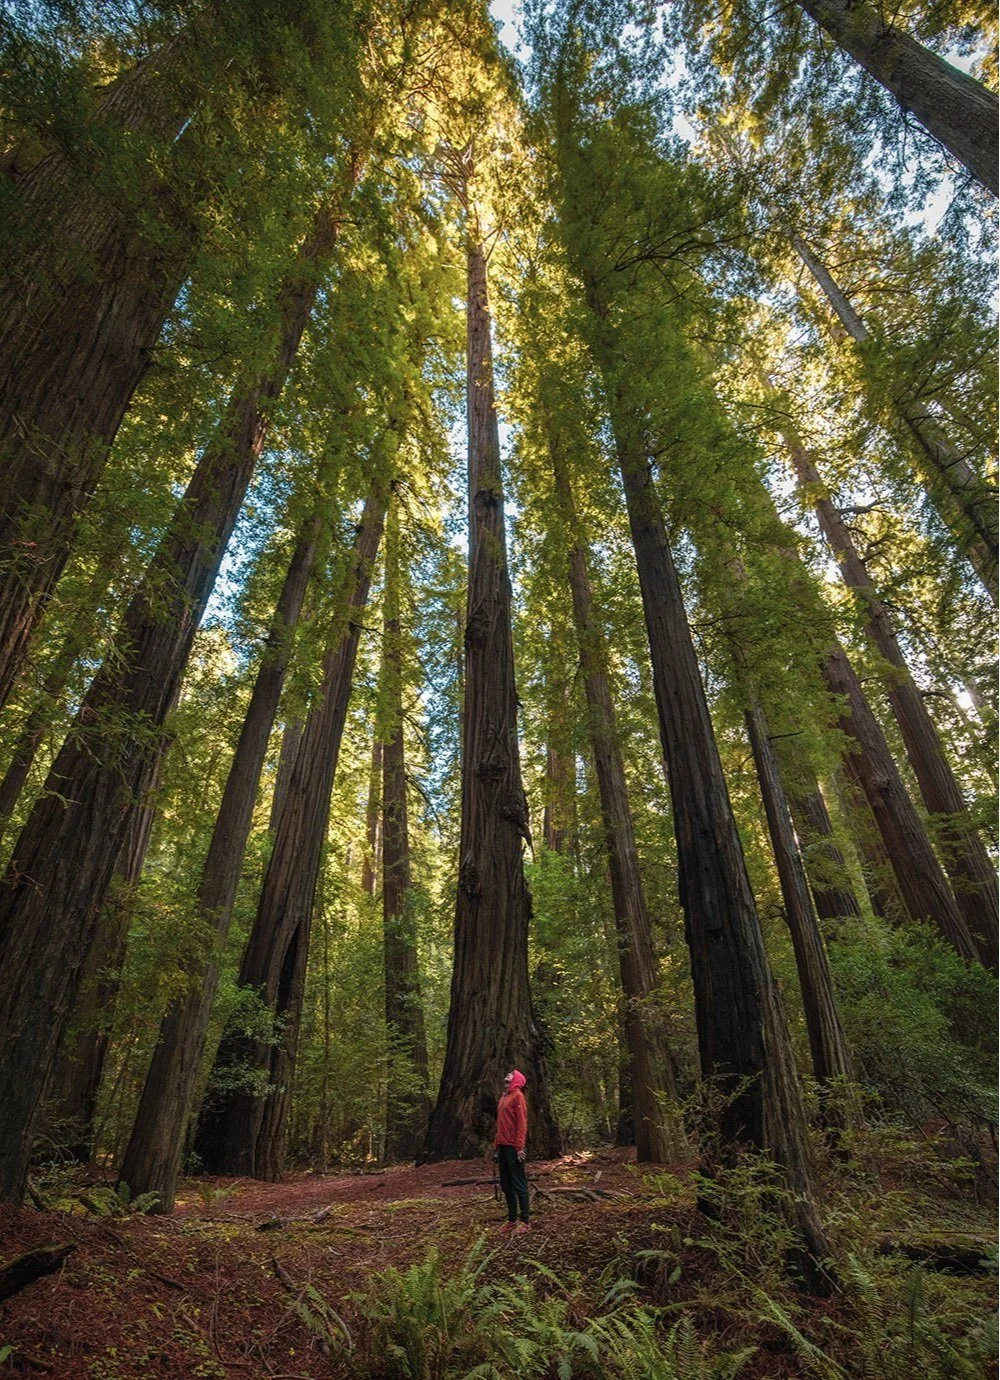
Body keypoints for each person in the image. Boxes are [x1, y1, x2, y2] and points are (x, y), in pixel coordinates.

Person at [494, 1068, 530, 1234]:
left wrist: (520, 1147)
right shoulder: (504, 1096)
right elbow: (500, 1124)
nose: (507, 1074)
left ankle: (525, 1221)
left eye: (511, 1074)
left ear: (516, 1080)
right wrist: (496, 1146)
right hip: (502, 1146)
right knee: (506, 1185)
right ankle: (511, 1220)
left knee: (519, 1183)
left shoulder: (518, 1096)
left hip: (513, 1147)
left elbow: (522, 1123)